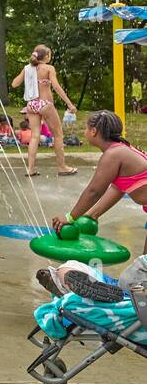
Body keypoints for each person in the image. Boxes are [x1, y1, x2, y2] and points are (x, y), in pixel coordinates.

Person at [41, 111, 147, 300]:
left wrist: (69, 218)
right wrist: (92, 215)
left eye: (86, 127)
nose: (84, 131)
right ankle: (138, 307)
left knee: (145, 267)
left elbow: (94, 191)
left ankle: (136, 305)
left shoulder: (113, 154)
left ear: (94, 131)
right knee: (145, 265)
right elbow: (117, 188)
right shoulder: (121, 150)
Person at [12, 44, 78, 178]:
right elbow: (57, 87)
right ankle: (62, 167)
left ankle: (30, 169)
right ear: (46, 56)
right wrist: (70, 104)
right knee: (58, 135)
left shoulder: (27, 69)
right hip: (45, 104)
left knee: (35, 136)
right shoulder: (49, 68)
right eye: (50, 54)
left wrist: (27, 75)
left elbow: (14, 84)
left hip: (31, 105)